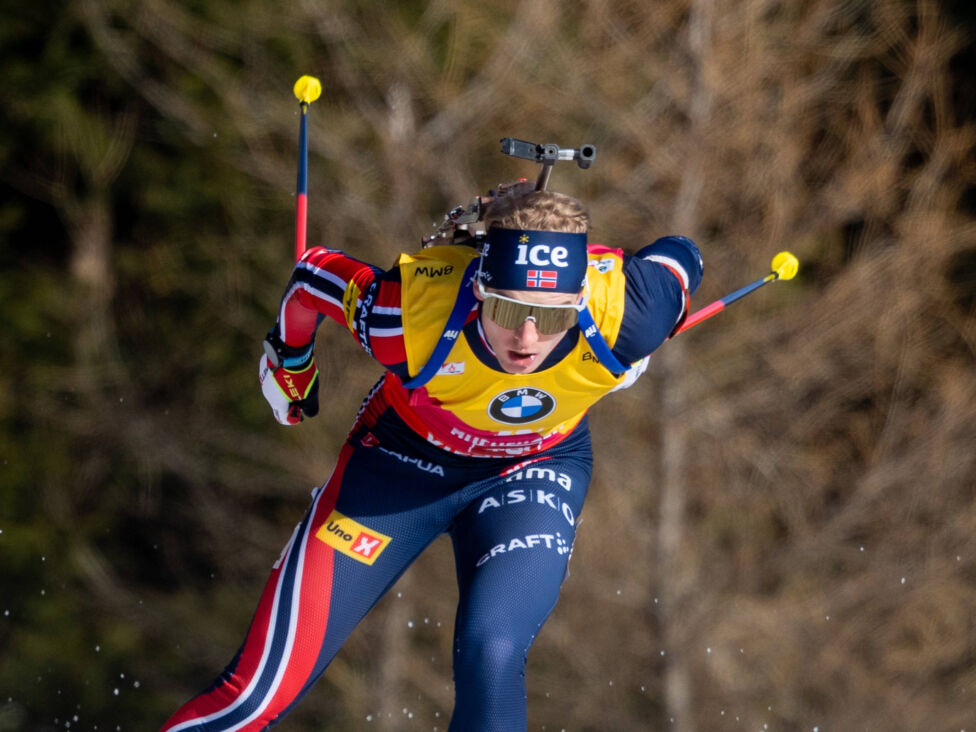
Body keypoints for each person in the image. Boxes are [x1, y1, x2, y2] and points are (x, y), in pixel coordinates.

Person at [161, 188, 703, 731]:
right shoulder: (411, 314)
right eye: (509, 308)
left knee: (492, 651)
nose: (527, 337)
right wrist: (291, 358)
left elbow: (683, 255)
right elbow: (311, 275)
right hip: (401, 465)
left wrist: (631, 340)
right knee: (257, 693)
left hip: (534, 468)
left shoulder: (631, 312)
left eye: (552, 315)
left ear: (581, 298)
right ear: (480, 288)